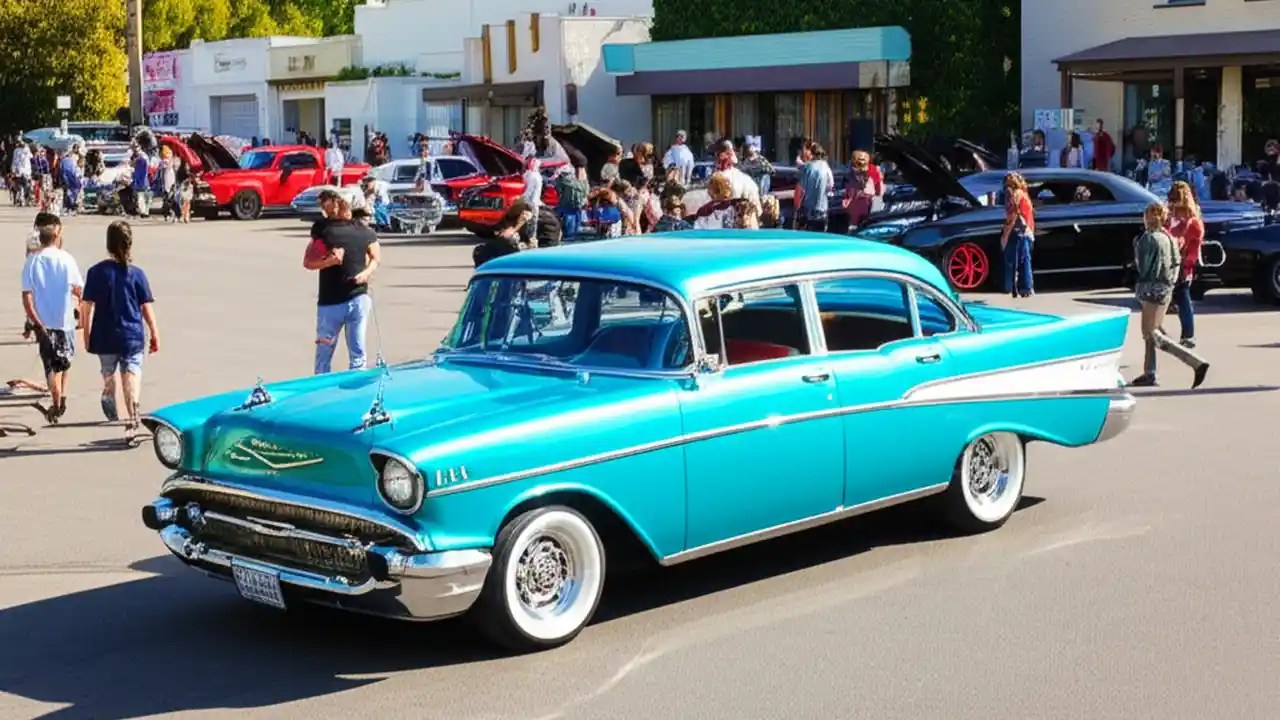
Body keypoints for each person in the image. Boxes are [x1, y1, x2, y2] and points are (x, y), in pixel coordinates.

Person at [80, 221, 159, 439]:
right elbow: (146, 307)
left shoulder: (95, 272)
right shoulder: (137, 274)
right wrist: (154, 332)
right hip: (131, 334)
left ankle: (108, 391)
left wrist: (86, 335)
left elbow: (86, 307)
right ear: (129, 243)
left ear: (108, 244)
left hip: (104, 335)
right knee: (131, 373)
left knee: (108, 370)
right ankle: (132, 418)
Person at [1129, 202, 1209, 388]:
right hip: (1167, 287)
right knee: (1154, 332)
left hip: (1151, 288)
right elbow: (1176, 263)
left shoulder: (1148, 238)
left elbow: (1144, 266)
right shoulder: (1169, 237)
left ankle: (1193, 362)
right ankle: (1150, 371)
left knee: (1150, 332)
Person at [302, 190, 380, 375]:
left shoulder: (365, 230)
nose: (329, 209)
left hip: (357, 298)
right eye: (325, 205)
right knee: (324, 353)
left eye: (331, 204)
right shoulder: (322, 229)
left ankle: (356, 390)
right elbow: (308, 261)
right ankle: (320, 389)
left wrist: (366, 273)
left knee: (358, 352)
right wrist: (329, 261)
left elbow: (376, 257)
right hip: (330, 302)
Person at [21, 215, 83, 423]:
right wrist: (81, 314)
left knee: (50, 366)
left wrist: (33, 320)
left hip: (44, 323)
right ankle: (61, 397)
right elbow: (78, 290)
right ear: (56, 236)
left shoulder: (32, 260)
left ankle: (56, 402)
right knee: (64, 363)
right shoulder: (67, 258)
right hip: (65, 322)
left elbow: (27, 296)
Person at [1166, 181, 1204, 348]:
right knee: (1180, 299)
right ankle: (1186, 334)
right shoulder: (1190, 220)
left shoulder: (1186, 221)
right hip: (1178, 265)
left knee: (1181, 298)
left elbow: (1192, 246)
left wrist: (1186, 264)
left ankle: (1188, 334)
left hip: (1178, 265)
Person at [999, 172, 1035, 298]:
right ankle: (1026, 288)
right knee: (1024, 261)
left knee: (1013, 261)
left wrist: (1005, 235)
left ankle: (1012, 288)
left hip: (1017, 231)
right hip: (1027, 231)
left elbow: (1012, 215)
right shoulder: (1024, 195)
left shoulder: (1013, 194)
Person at [474, 202, 534, 268]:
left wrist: (518, 225)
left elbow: (529, 240)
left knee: (512, 240)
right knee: (480, 251)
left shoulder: (526, 220)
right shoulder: (503, 216)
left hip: (517, 246)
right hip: (500, 244)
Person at [794, 142, 834, 232]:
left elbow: (799, 190)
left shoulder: (807, 167)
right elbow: (830, 186)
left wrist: (797, 208)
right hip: (823, 209)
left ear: (811, 153)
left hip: (808, 209)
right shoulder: (826, 167)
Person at [555, 152, 589, 238]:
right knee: (570, 234)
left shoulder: (565, 176)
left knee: (570, 233)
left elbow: (559, 190)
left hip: (570, 209)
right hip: (570, 210)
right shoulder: (568, 176)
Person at [843, 150, 880, 228]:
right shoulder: (872, 175)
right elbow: (877, 192)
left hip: (855, 211)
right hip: (867, 209)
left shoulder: (850, 176)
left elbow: (847, 193)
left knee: (853, 229)